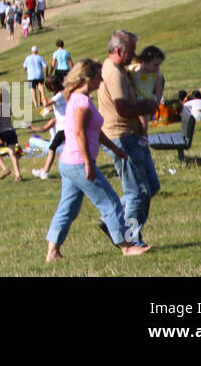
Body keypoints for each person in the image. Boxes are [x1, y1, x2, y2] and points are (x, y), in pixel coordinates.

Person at [45, 59, 150, 261]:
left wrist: (114, 149)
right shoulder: (82, 102)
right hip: (77, 163)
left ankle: (52, 252)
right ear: (87, 78)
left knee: (68, 207)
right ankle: (126, 246)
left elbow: (95, 132)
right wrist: (87, 163)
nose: (101, 80)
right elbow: (79, 133)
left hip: (67, 162)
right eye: (98, 77)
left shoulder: (76, 98)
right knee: (111, 203)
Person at [96, 30, 160, 248]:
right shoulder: (113, 73)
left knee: (151, 186)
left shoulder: (120, 69)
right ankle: (132, 240)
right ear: (118, 50)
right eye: (131, 51)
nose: (134, 55)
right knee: (136, 194)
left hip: (133, 135)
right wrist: (146, 107)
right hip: (121, 137)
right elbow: (122, 108)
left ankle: (110, 219)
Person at [32, 75, 67, 180]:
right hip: (65, 126)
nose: (47, 89)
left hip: (64, 127)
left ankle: (45, 172)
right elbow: (60, 106)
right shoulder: (61, 93)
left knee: (52, 148)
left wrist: (41, 91)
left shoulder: (59, 95)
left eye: (47, 87)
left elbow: (45, 103)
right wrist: (50, 110)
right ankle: (44, 170)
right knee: (54, 148)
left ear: (52, 85)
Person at [129, 46, 166, 133]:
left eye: (159, 65)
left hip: (147, 100)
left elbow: (158, 90)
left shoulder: (157, 75)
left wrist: (157, 104)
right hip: (133, 99)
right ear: (145, 62)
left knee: (144, 121)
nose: (157, 68)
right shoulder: (133, 70)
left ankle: (144, 135)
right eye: (155, 65)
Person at [0, 87, 23, 181]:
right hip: (11, 131)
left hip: (1, 132)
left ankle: (5, 168)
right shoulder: (7, 107)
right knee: (12, 152)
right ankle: (17, 174)